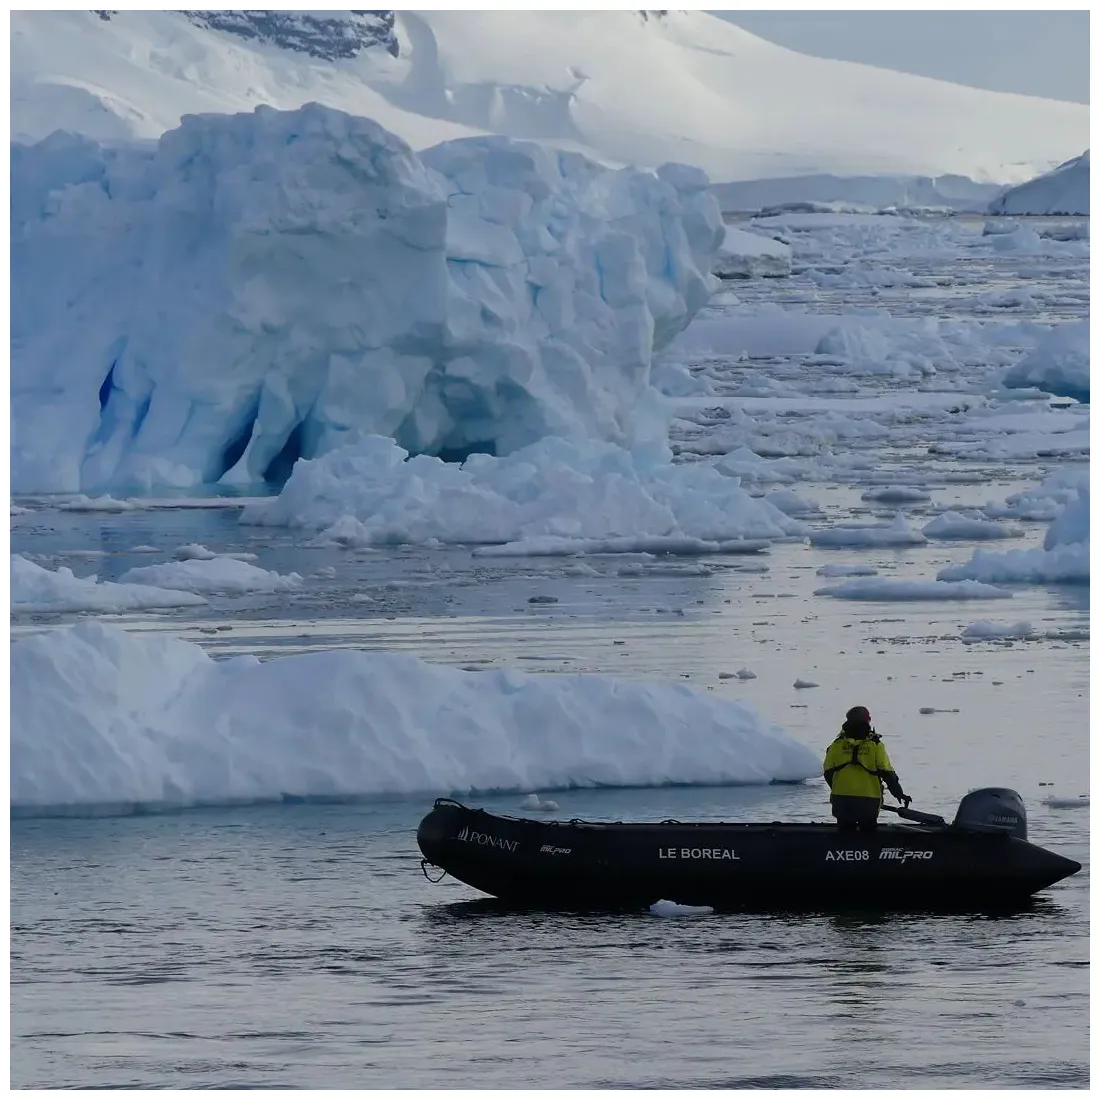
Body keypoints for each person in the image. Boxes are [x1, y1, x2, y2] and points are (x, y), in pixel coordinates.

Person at [822, 706, 909, 832]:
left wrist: (836, 787)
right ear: (867, 720)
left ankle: (843, 851)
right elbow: (887, 773)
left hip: (841, 800)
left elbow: (827, 771)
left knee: (844, 835)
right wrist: (899, 794)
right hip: (868, 800)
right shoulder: (875, 745)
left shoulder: (837, 745)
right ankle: (868, 851)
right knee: (868, 836)